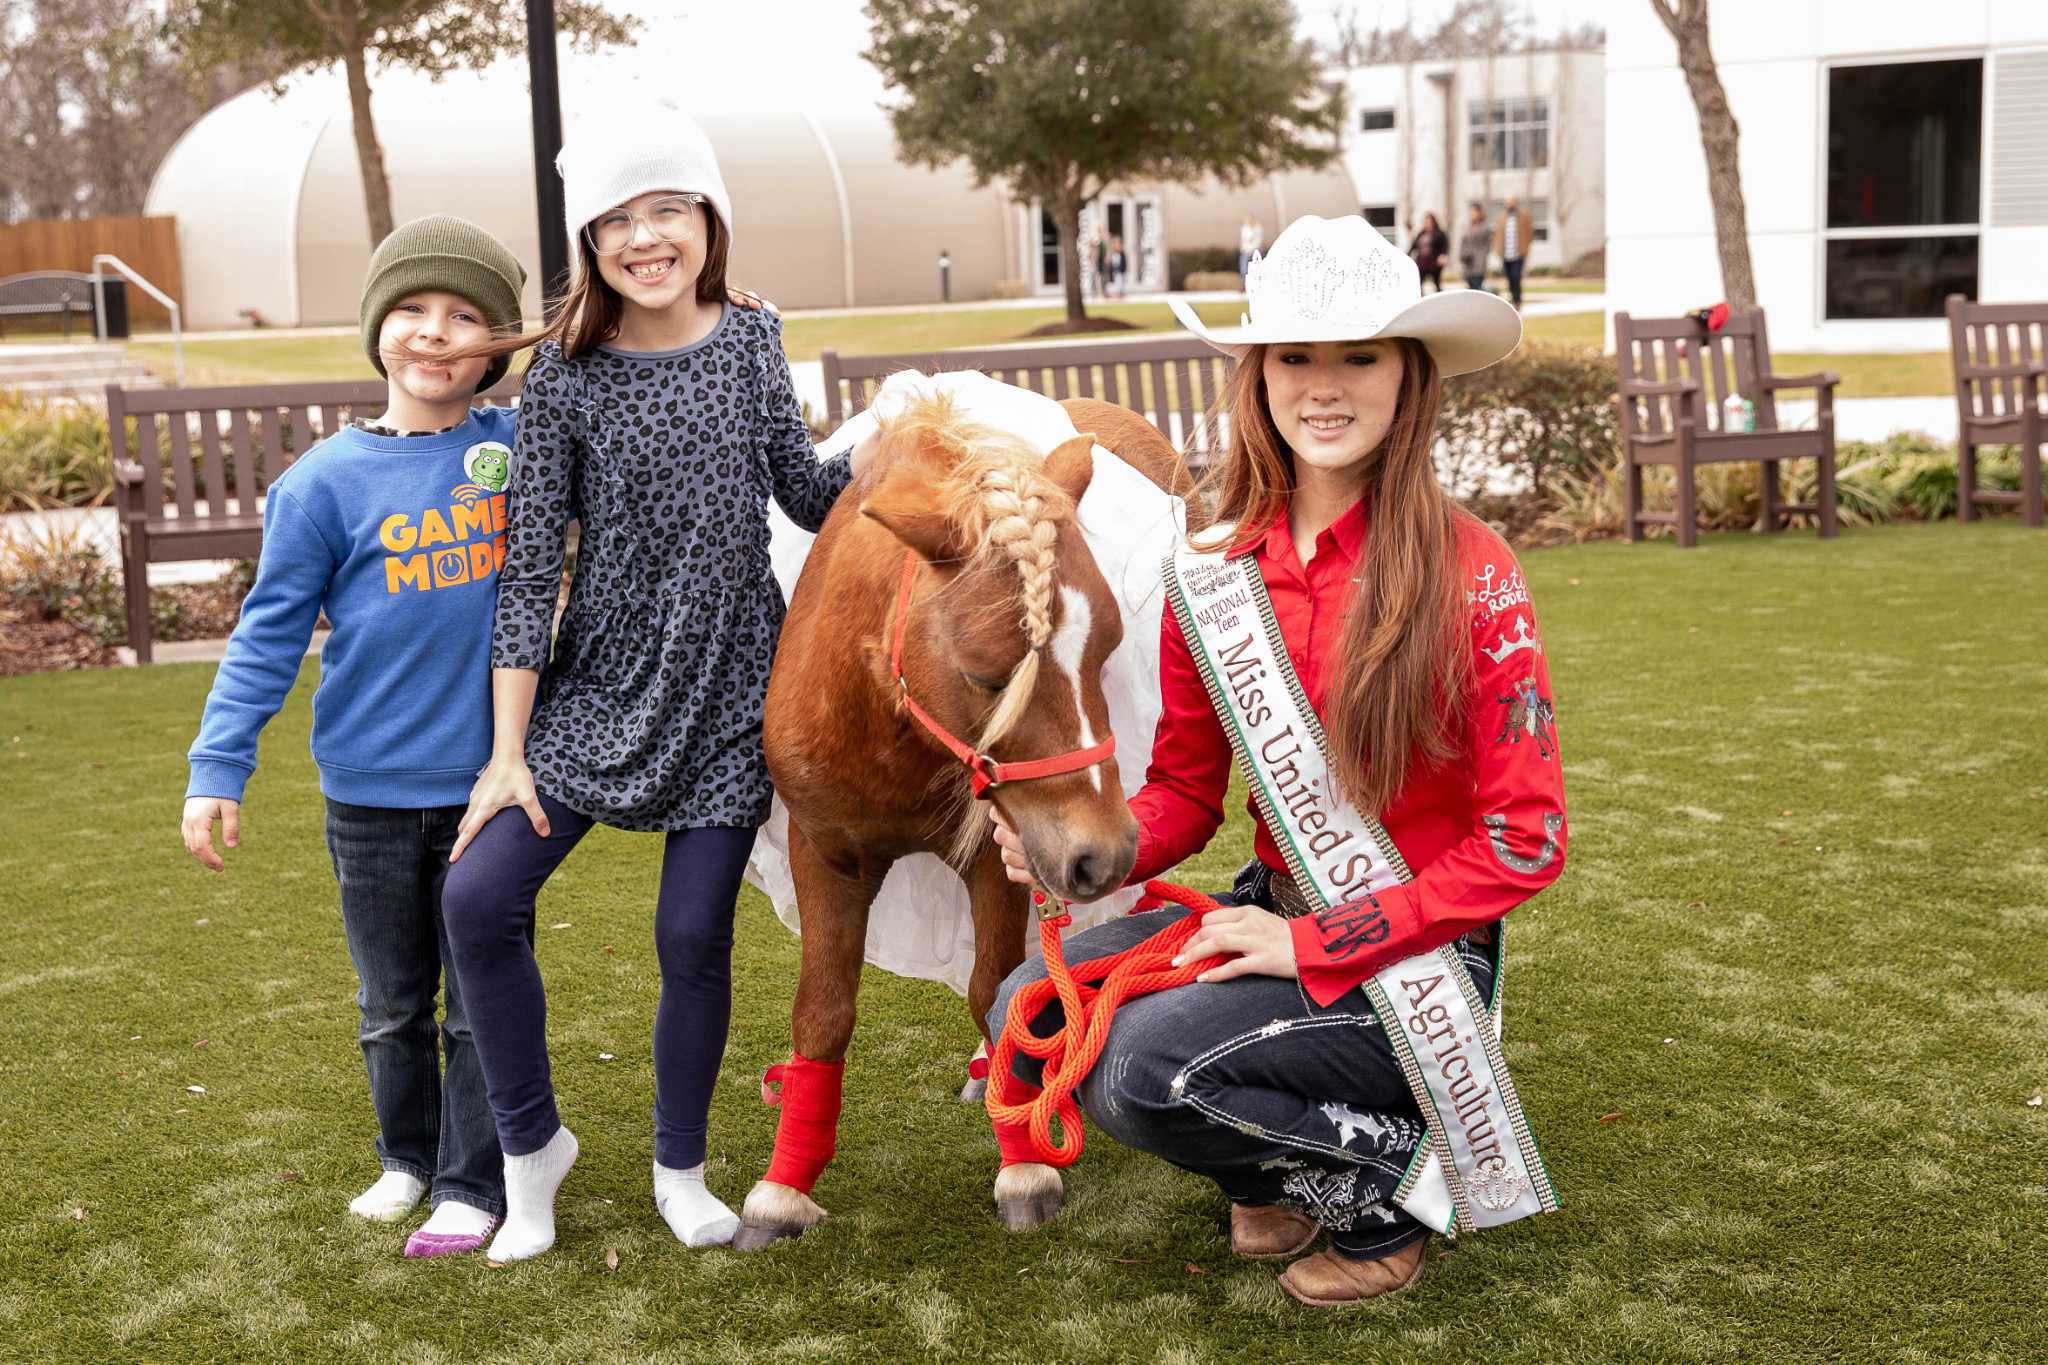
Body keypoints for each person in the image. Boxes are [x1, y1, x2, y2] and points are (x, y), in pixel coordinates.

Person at [987, 214, 1567, 1307]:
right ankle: (1276, 1172)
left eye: (1359, 355)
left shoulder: (1472, 574)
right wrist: (1101, 858)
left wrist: (1313, 941)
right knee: (1029, 1004)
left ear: (1409, 376)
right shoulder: (1210, 570)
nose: (1324, 385)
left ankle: (1385, 1192)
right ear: (1257, 377)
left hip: (1419, 955)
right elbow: (1181, 795)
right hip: (1270, 913)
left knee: (1146, 1072)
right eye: (1295, 355)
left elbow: (1525, 842)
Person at [432, 98, 876, 1264]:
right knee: (475, 901)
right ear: (589, 242)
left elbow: (801, 489)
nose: (645, 238)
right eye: (617, 220)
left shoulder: (749, 339)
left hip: (733, 686)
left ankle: (679, 1167)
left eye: (667, 209)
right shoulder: (567, 383)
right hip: (595, 689)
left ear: (706, 219)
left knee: (693, 939)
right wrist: (507, 754)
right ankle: (532, 1160)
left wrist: (890, 454)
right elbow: (530, 572)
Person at [181, 215, 528, 1259]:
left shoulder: (517, 455)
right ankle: (405, 1161)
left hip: (490, 790)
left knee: (475, 1001)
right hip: (368, 794)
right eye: (414, 311)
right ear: (378, 329)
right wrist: (216, 767)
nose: (436, 333)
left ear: (498, 348)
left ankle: (475, 1181)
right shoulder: (321, 482)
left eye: (467, 318)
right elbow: (266, 637)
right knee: (391, 1002)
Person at [1494, 194, 1533, 308]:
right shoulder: (1502, 217)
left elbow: (1530, 233)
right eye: (1508, 202)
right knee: (1509, 277)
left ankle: (1517, 300)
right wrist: (1497, 249)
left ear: (1516, 203)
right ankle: (1512, 297)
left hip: (1518, 254)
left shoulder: (1523, 216)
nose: (1510, 204)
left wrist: (1525, 248)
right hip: (1505, 254)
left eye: (1512, 202)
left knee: (1516, 276)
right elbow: (1497, 234)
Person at [1406, 212, 1448, 292]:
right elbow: (1413, 246)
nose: (1427, 224)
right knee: (1419, 282)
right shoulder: (1421, 234)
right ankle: (1421, 299)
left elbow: (1445, 246)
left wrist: (1443, 255)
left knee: (1436, 283)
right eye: (1426, 222)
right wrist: (1406, 255)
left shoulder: (1439, 234)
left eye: (1429, 222)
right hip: (1422, 262)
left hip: (1434, 262)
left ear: (1433, 222)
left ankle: (1439, 300)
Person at [1458, 202, 1491, 293]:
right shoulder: (1467, 227)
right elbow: (1463, 242)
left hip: (1479, 262)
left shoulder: (1484, 227)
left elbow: (1487, 245)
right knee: (1470, 287)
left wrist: (1482, 257)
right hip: (1467, 262)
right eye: (1471, 213)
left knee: (1477, 287)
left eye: (1474, 212)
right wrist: (1462, 255)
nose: (1472, 215)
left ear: (1479, 213)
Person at [1239, 213, 1265, 279]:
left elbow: (1258, 241)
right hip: (1246, 251)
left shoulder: (1258, 228)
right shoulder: (1245, 228)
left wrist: (1253, 250)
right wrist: (1244, 248)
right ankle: (1244, 280)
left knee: (1257, 266)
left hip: (1255, 250)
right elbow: (1244, 240)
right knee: (1244, 267)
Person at [1107, 234, 1128, 298]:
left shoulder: (1121, 253)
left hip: (1120, 271)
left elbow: (1123, 263)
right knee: (1116, 285)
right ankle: (1118, 295)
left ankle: (1121, 295)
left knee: (1121, 284)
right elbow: (1111, 263)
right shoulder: (1113, 253)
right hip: (1115, 272)